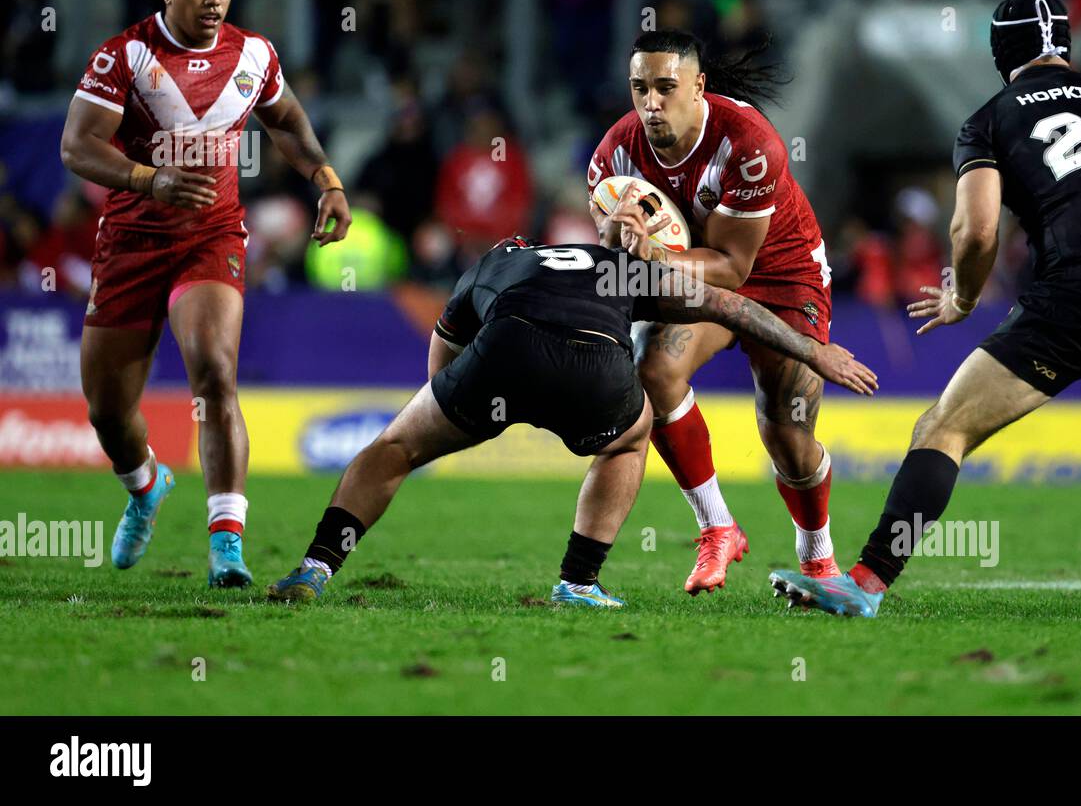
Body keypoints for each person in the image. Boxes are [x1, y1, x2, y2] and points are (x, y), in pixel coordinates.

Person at [771, 0, 1081, 622]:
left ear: (998, 51)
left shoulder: (991, 118)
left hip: (1078, 294)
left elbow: (975, 232)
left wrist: (963, 296)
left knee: (943, 428)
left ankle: (866, 583)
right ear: (1065, 42)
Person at [267, 189, 876, 607]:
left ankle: (317, 566)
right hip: (594, 367)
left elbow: (443, 354)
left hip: (503, 350)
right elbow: (733, 306)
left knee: (394, 447)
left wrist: (452, 410)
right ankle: (578, 583)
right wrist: (812, 350)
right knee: (633, 436)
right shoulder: (625, 269)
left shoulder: (501, 259)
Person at [60, 0, 353, 587]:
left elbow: (287, 124)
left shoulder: (254, 55)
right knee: (107, 410)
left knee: (216, 372)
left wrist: (327, 180)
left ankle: (227, 543)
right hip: (130, 245)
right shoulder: (125, 56)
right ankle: (145, 484)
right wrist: (147, 178)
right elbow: (77, 146)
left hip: (210, 236)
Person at [586, 29, 840, 595]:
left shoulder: (749, 144)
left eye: (665, 88)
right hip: (688, 268)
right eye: (639, 89)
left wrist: (653, 252)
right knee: (653, 367)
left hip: (781, 273)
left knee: (786, 434)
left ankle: (818, 557)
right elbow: (617, 260)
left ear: (698, 87)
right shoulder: (614, 158)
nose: (651, 103)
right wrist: (613, 238)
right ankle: (717, 527)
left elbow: (732, 268)